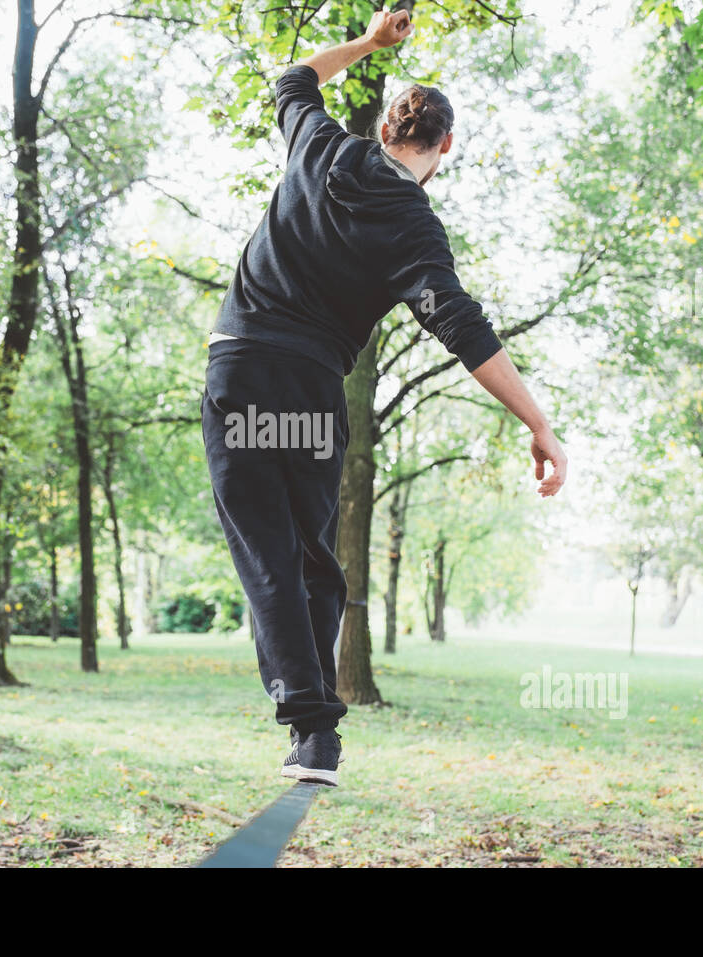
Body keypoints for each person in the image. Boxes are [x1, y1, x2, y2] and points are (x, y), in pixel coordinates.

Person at [199, 9, 567, 786]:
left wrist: (367, 45)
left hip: (235, 370)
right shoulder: (412, 224)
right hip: (305, 387)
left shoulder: (318, 143)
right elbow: (460, 325)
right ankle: (315, 732)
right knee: (312, 563)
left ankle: (309, 723)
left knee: (269, 555)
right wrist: (537, 422)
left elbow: (294, 78)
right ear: (444, 147)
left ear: (388, 127)